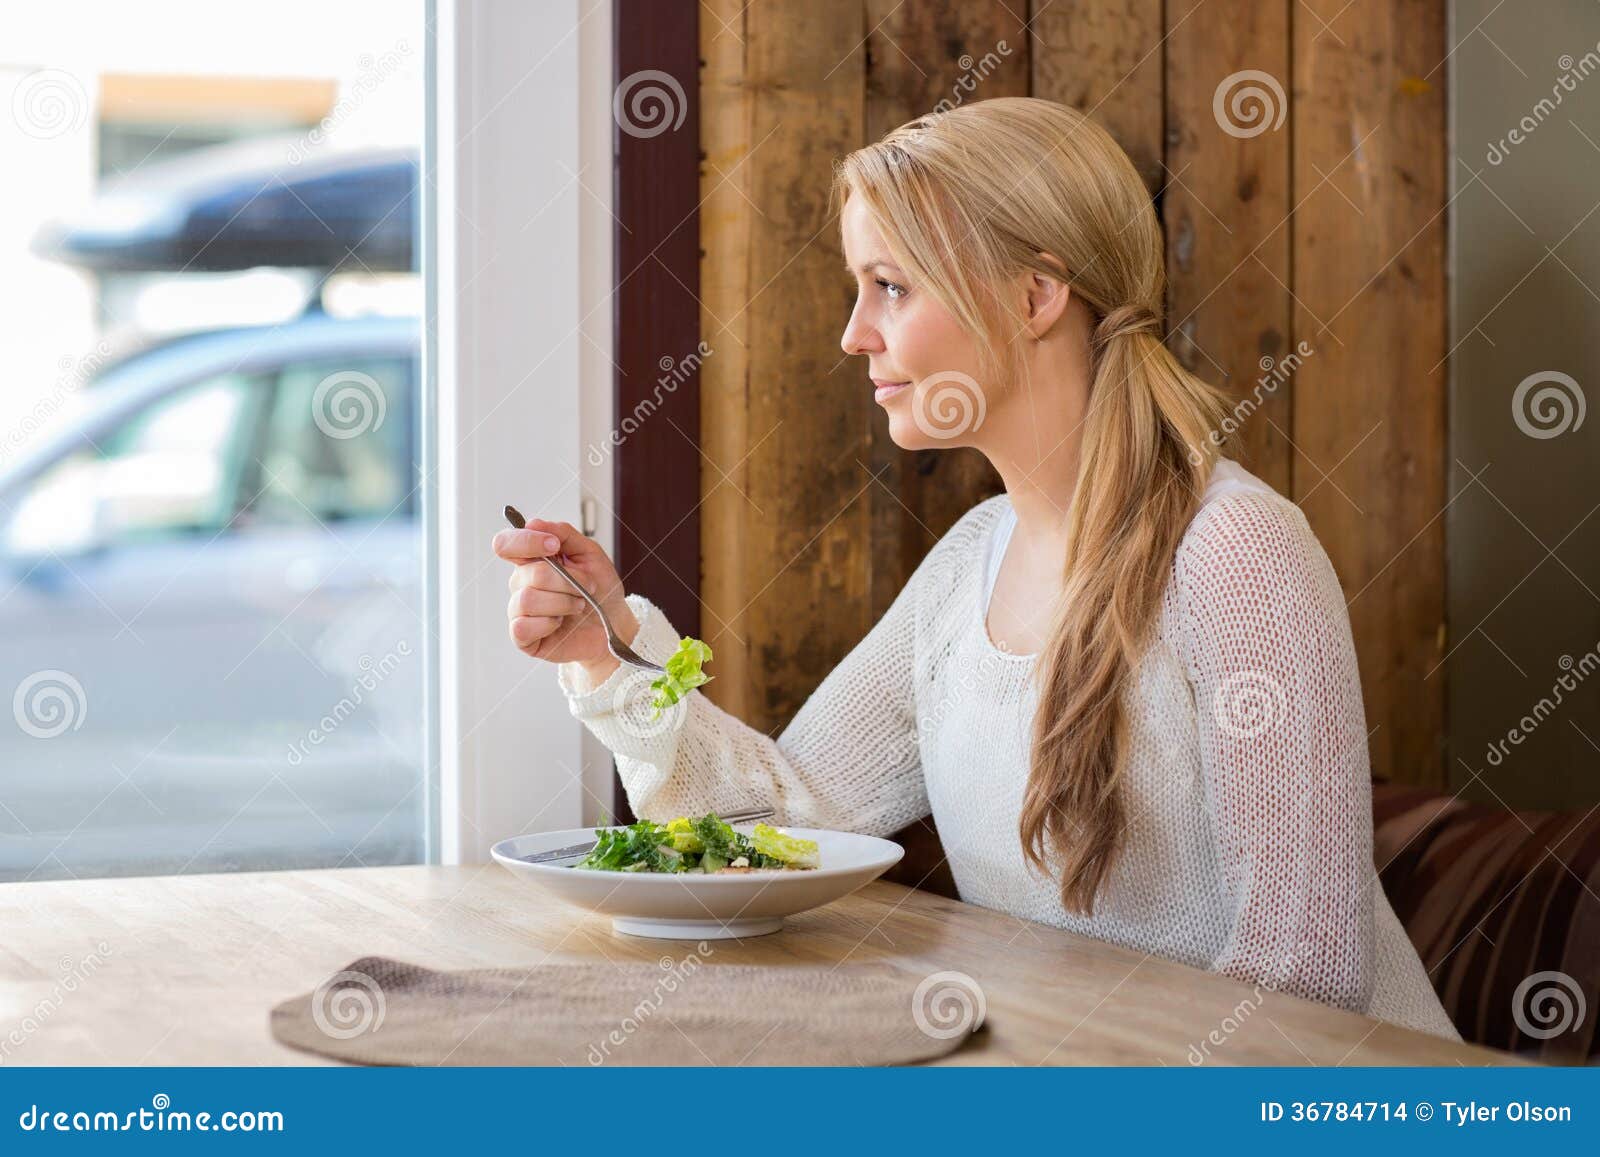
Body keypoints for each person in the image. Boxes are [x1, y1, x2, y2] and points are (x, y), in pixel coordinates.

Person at [492, 96, 1458, 1039]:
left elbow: (1306, 983)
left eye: (893, 286)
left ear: (1037, 295)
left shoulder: (1239, 554)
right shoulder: (968, 566)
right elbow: (773, 823)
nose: (853, 332)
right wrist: (609, 650)